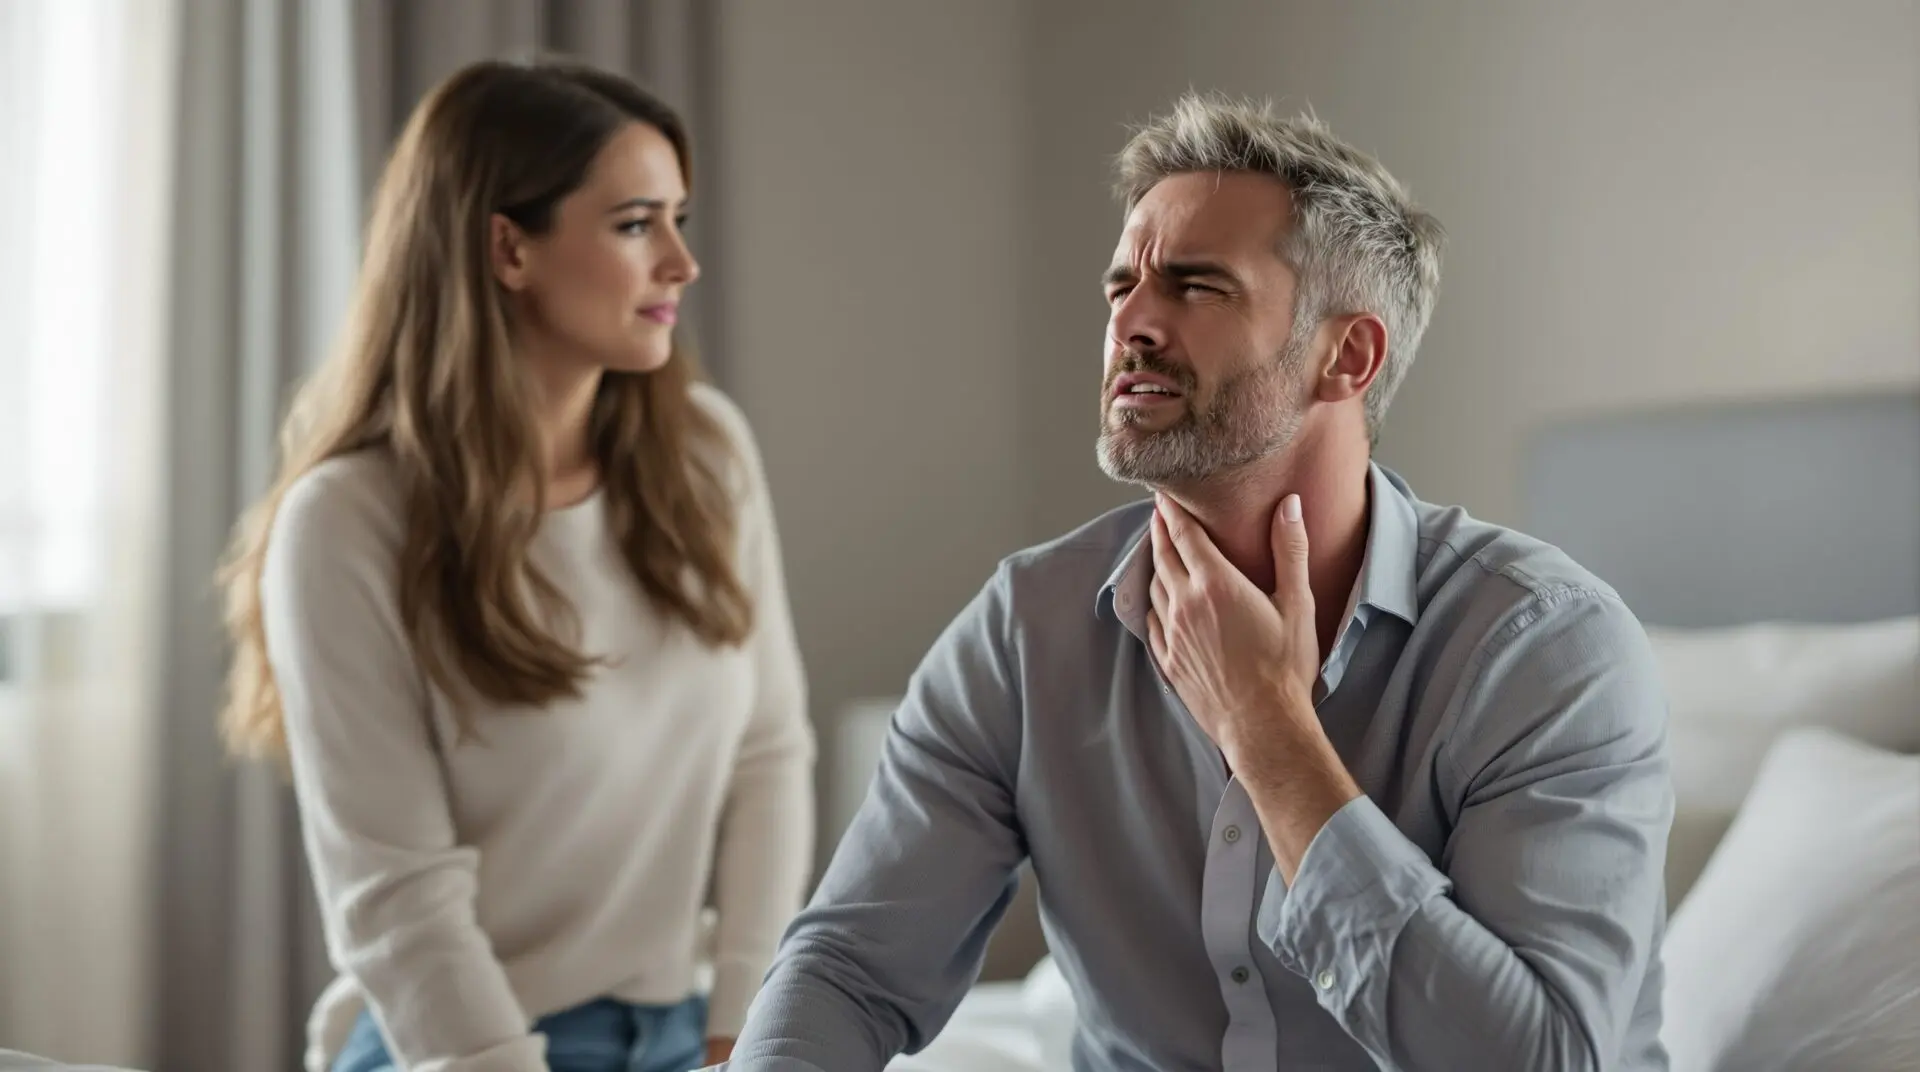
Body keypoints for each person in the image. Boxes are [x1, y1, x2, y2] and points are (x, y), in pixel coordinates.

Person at [720, 94, 1672, 1071]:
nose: (1130, 321)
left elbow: (1547, 1061)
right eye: (1122, 283)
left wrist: (1271, 737)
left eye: (1195, 286)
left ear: (1348, 355)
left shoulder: (1545, 649)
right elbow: (849, 971)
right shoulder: (1025, 633)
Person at [217, 58, 815, 1072]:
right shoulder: (346, 523)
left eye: (680, 217)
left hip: (687, 1025)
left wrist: (744, 1031)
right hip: (464, 1044)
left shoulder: (708, 454)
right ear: (508, 248)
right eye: (635, 224)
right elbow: (394, 892)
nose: (681, 261)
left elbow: (769, 756)